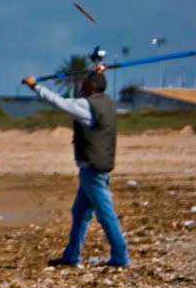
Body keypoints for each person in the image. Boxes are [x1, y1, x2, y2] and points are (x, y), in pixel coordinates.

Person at [21, 65, 129, 268]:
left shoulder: (87, 106)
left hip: (93, 171)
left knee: (106, 216)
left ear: (89, 88)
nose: (80, 88)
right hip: (97, 168)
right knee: (79, 213)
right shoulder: (107, 102)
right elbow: (91, 87)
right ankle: (71, 256)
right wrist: (98, 71)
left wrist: (36, 87)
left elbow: (59, 102)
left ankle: (121, 257)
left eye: (83, 85)